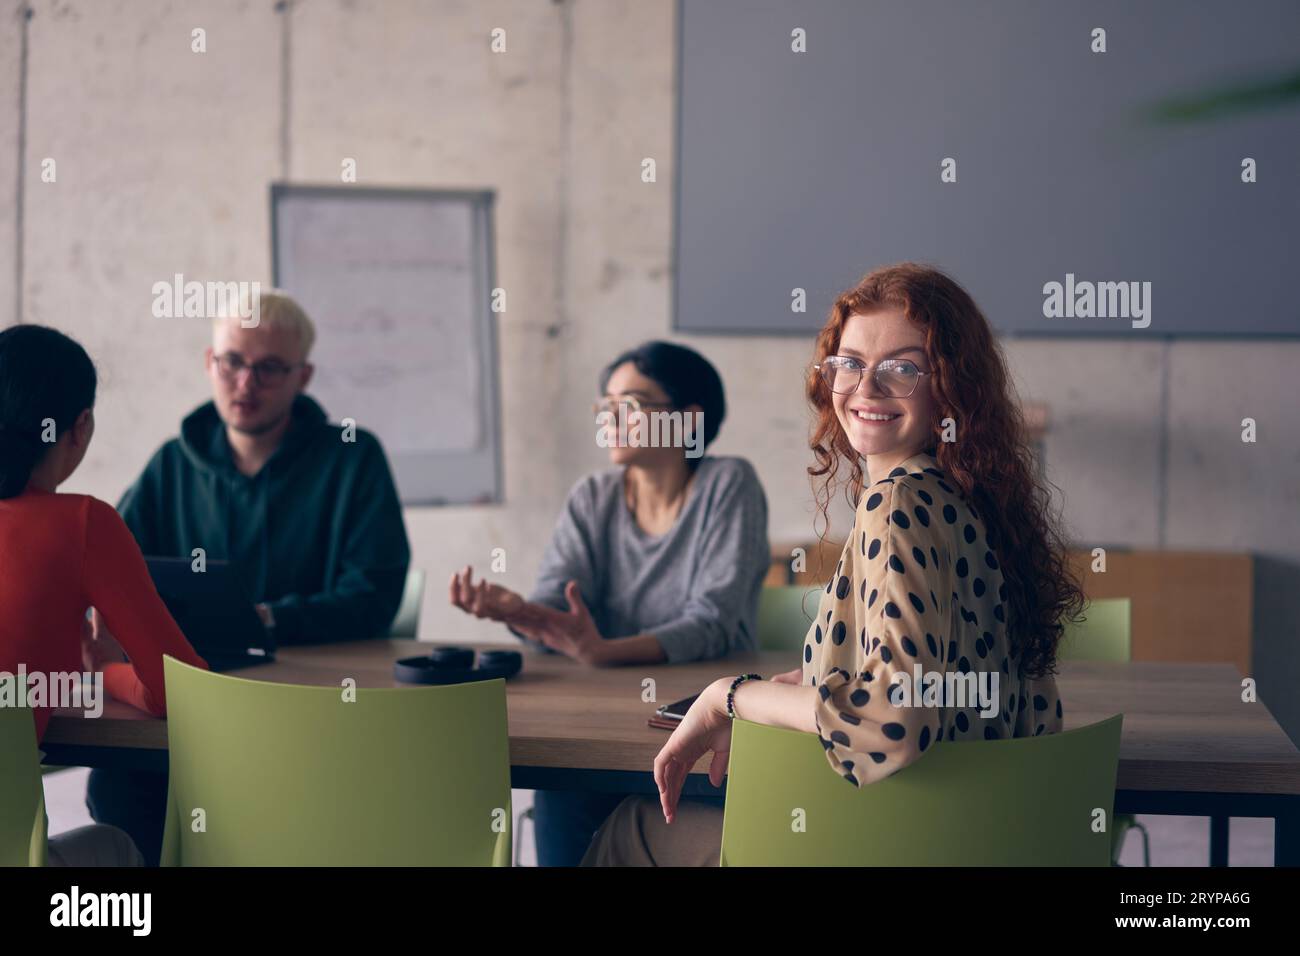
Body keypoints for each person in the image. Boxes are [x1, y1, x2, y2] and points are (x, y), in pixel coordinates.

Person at [583, 263, 1084, 866]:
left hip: (892, 844)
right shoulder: (966, 500)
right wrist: (822, 680)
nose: (865, 389)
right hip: (983, 840)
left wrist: (729, 695)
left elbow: (890, 722)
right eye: (849, 363)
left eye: (902, 367)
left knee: (630, 826)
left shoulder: (899, 505)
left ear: (951, 387)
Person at [87, 291, 411, 864]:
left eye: (269, 369)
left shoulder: (353, 458)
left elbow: (374, 597)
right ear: (209, 363)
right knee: (121, 790)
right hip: (191, 704)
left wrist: (266, 619)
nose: (246, 383)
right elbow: (111, 575)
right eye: (232, 362)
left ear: (302, 376)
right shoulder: (171, 463)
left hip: (318, 712)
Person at [449, 341, 770, 866]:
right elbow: (559, 610)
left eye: (633, 404)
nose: (611, 418)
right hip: (599, 716)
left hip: (702, 726)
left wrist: (605, 652)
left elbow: (712, 622)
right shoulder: (592, 496)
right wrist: (521, 614)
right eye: (606, 405)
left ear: (689, 420)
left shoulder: (727, 483)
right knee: (562, 789)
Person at [0, 325, 208, 867]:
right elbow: (184, 692)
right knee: (117, 843)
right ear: (81, 427)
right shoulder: (82, 524)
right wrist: (108, 669)